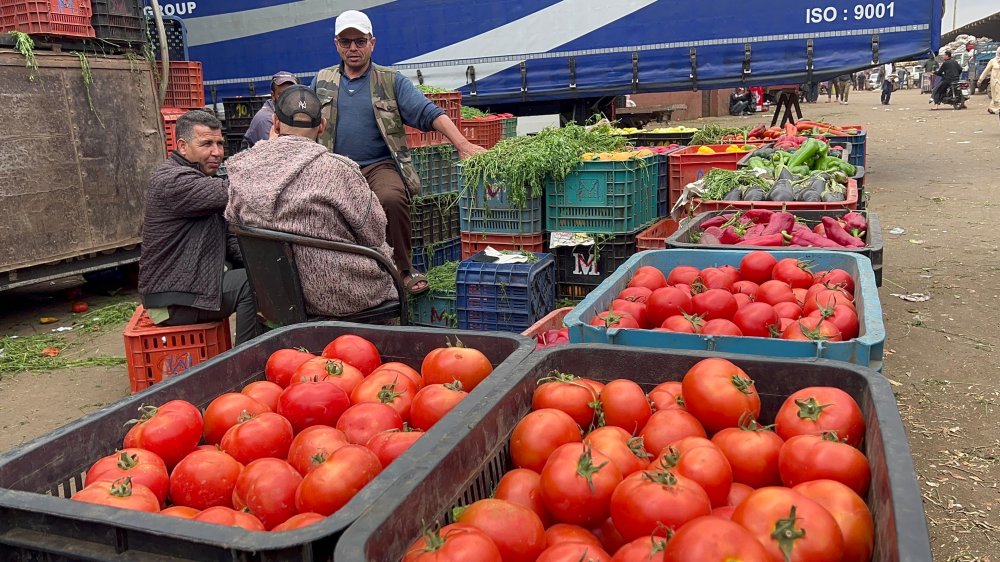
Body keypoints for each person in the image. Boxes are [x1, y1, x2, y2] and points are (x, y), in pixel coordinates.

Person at [312, 9, 486, 295]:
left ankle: (402, 269)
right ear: (336, 45)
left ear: (372, 43)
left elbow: (429, 112)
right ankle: (334, 278)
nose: (353, 48)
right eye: (346, 42)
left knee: (391, 199)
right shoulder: (322, 81)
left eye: (359, 41)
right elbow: (299, 120)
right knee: (321, 209)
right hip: (336, 167)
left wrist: (462, 144)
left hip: (380, 165)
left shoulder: (391, 81)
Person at [225, 86, 398, 317]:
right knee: (388, 265)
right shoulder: (340, 171)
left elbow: (234, 221)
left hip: (274, 297)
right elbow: (375, 233)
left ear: (275, 123)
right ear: (323, 126)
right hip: (343, 296)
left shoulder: (242, 169)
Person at [138, 110, 261, 344]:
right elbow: (236, 191)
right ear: (183, 146)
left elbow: (230, 240)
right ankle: (246, 365)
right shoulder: (172, 181)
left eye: (219, 144)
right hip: (171, 298)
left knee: (260, 276)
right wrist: (269, 156)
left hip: (186, 286)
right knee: (252, 286)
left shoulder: (201, 179)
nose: (216, 152)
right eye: (206, 144)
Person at [241, 71, 299, 149]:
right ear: (273, 96)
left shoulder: (288, 113)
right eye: (282, 94)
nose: (288, 99)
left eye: (291, 94)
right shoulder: (266, 120)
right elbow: (275, 154)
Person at [976, 46, 1000, 114]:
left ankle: (991, 108)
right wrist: (980, 80)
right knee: (997, 96)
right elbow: (985, 71)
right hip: (995, 82)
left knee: (997, 96)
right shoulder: (993, 61)